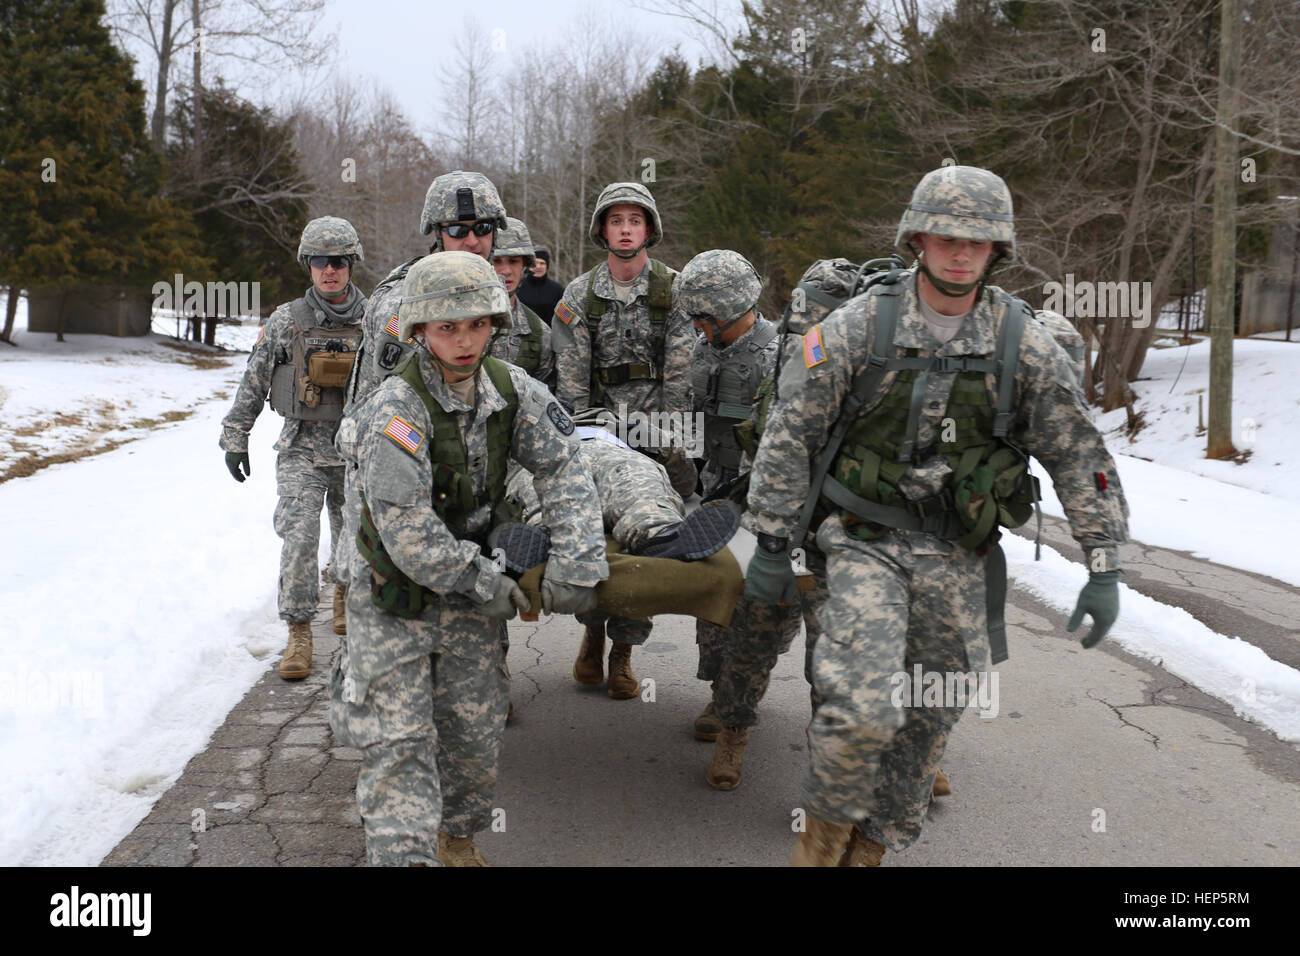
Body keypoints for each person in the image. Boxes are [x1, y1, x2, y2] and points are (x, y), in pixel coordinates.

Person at [744, 165, 1130, 866]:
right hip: (862, 539)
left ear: (997, 251)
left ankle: (871, 848)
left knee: (929, 717)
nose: (960, 254)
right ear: (918, 237)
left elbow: (1079, 452)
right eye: (947, 237)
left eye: (977, 243)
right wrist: (773, 543)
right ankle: (819, 844)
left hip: (959, 552)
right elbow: (789, 432)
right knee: (862, 707)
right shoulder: (859, 325)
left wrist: (1103, 562)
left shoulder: (1022, 342)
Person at [330, 251, 607, 866]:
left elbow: (563, 469)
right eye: (448, 327)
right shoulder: (394, 413)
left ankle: (457, 839)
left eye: (477, 324)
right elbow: (408, 535)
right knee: (399, 754)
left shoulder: (512, 392)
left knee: (473, 746)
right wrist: (489, 582)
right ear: (420, 331)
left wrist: (578, 562)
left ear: (496, 324)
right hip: (393, 602)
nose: (464, 340)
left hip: (469, 607)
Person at [550, 182, 696, 698]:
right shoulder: (579, 297)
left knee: (650, 542)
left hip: (661, 438)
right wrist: (599, 437)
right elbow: (570, 388)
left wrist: (657, 444)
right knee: (595, 533)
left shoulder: (676, 292)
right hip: (596, 434)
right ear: (603, 230)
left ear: (649, 229)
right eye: (617, 221)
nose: (627, 229)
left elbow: (681, 383)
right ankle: (591, 633)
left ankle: (625, 650)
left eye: (636, 220)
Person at [220, 216, 367, 678]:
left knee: (355, 540)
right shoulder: (287, 321)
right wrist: (235, 436)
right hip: (302, 449)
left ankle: (343, 593)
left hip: (357, 452)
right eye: (321, 261)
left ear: (351, 264)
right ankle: (299, 632)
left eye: (339, 261)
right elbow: (255, 379)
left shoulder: (377, 317)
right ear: (308, 264)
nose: (330, 270)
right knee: (300, 540)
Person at [676, 249, 793, 777]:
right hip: (713, 495)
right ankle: (721, 698)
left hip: (764, 503)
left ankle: (736, 716)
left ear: (728, 309)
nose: (697, 328)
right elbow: (691, 420)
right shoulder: (703, 352)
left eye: (703, 318)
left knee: (757, 616)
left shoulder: (780, 357)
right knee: (713, 604)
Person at [489, 217, 554, 387]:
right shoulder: (456, 321)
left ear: (524, 265)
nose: (506, 271)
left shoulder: (539, 334)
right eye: (497, 261)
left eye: (513, 261)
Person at [516, 245, 564, 326]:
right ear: (529, 266)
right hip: (521, 335)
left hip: (549, 336)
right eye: (535, 263)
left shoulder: (557, 290)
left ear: (547, 266)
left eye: (542, 263)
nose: (538, 267)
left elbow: (564, 318)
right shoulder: (517, 287)